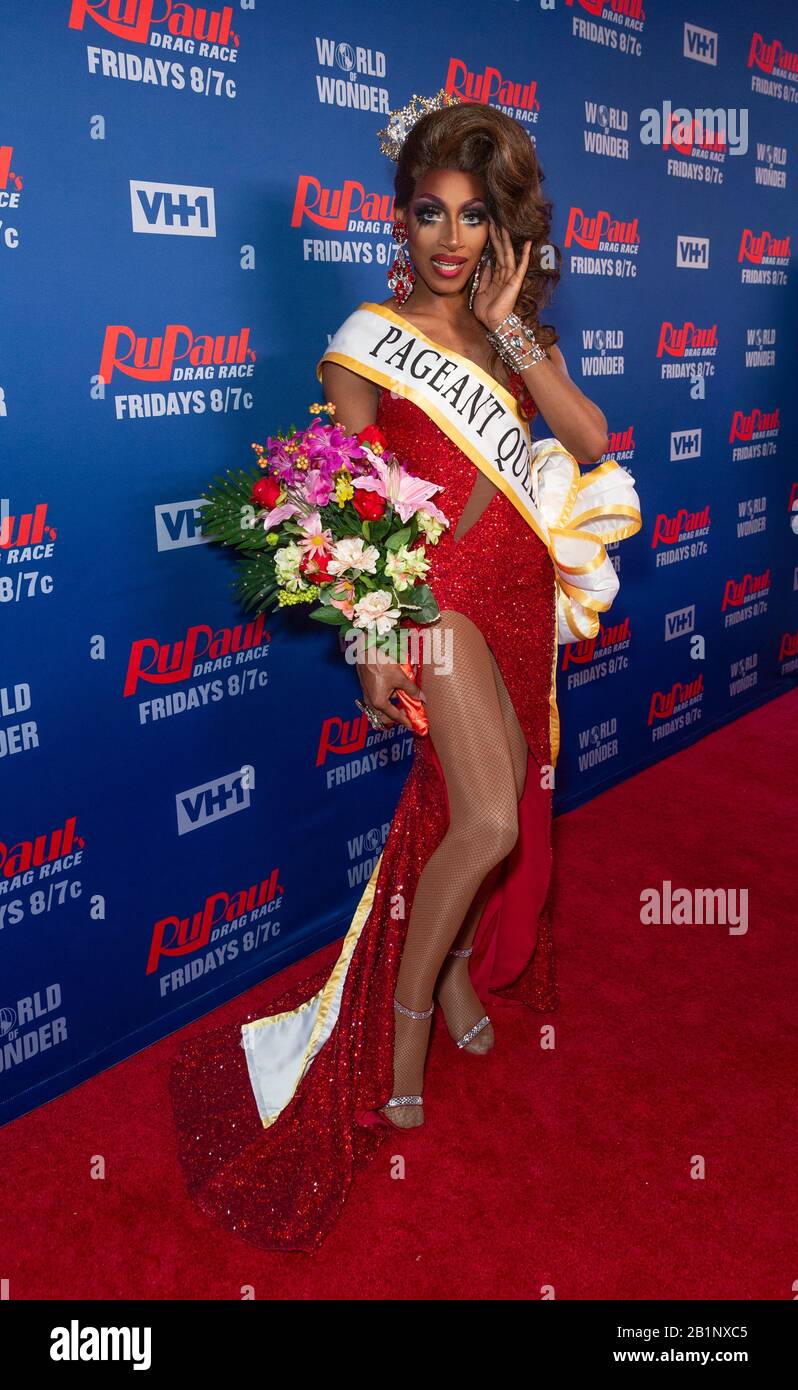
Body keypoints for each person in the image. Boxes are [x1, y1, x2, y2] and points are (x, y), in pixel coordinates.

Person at [168, 94, 639, 1253]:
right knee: (486, 817)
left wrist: (517, 334)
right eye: (430, 210)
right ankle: (410, 1017)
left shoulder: (516, 340)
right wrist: (376, 634)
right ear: (400, 216)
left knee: (476, 812)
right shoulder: (369, 334)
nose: (449, 236)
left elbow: (587, 440)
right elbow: (347, 499)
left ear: (505, 231)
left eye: (475, 217)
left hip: (520, 597)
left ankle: (466, 974)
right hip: (434, 606)